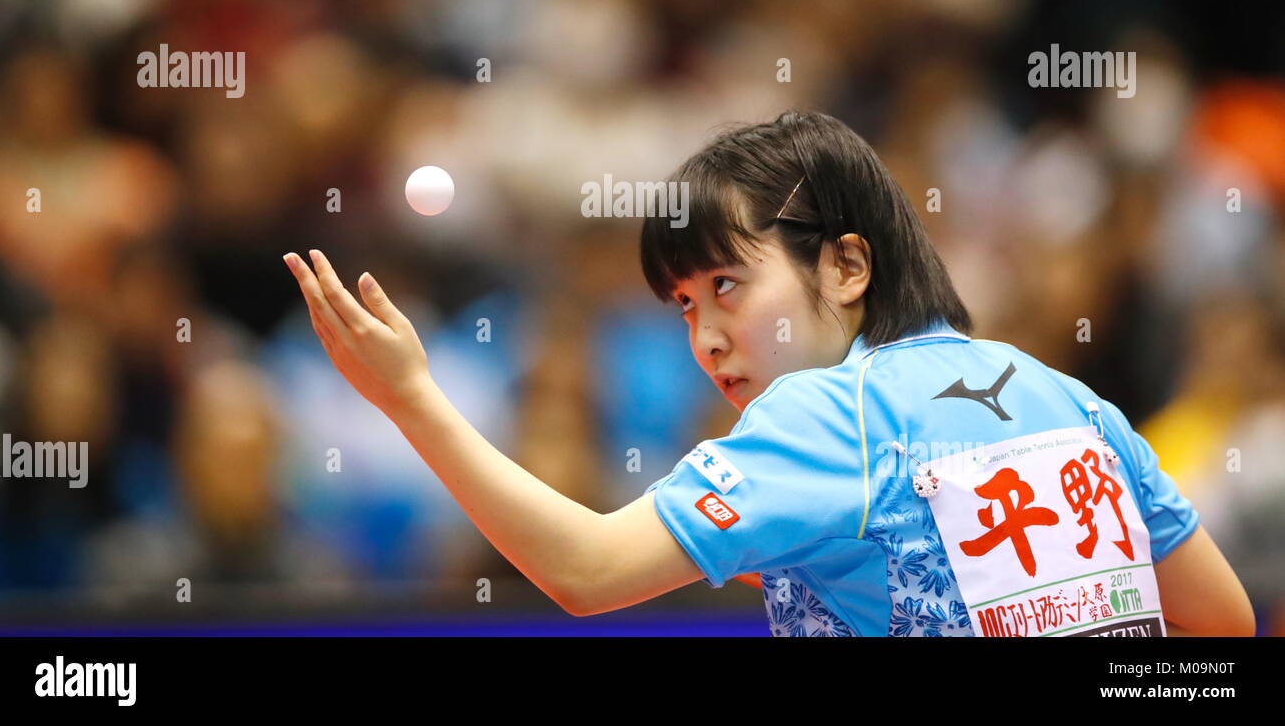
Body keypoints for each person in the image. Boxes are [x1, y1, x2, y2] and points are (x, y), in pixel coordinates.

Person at [282, 109, 1255, 636]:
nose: (705, 335)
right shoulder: (1064, 395)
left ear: (845, 262)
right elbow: (1220, 619)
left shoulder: (825, 413)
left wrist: (409, 397)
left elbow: (584, 572)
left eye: (728, 285)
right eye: (684, 305)